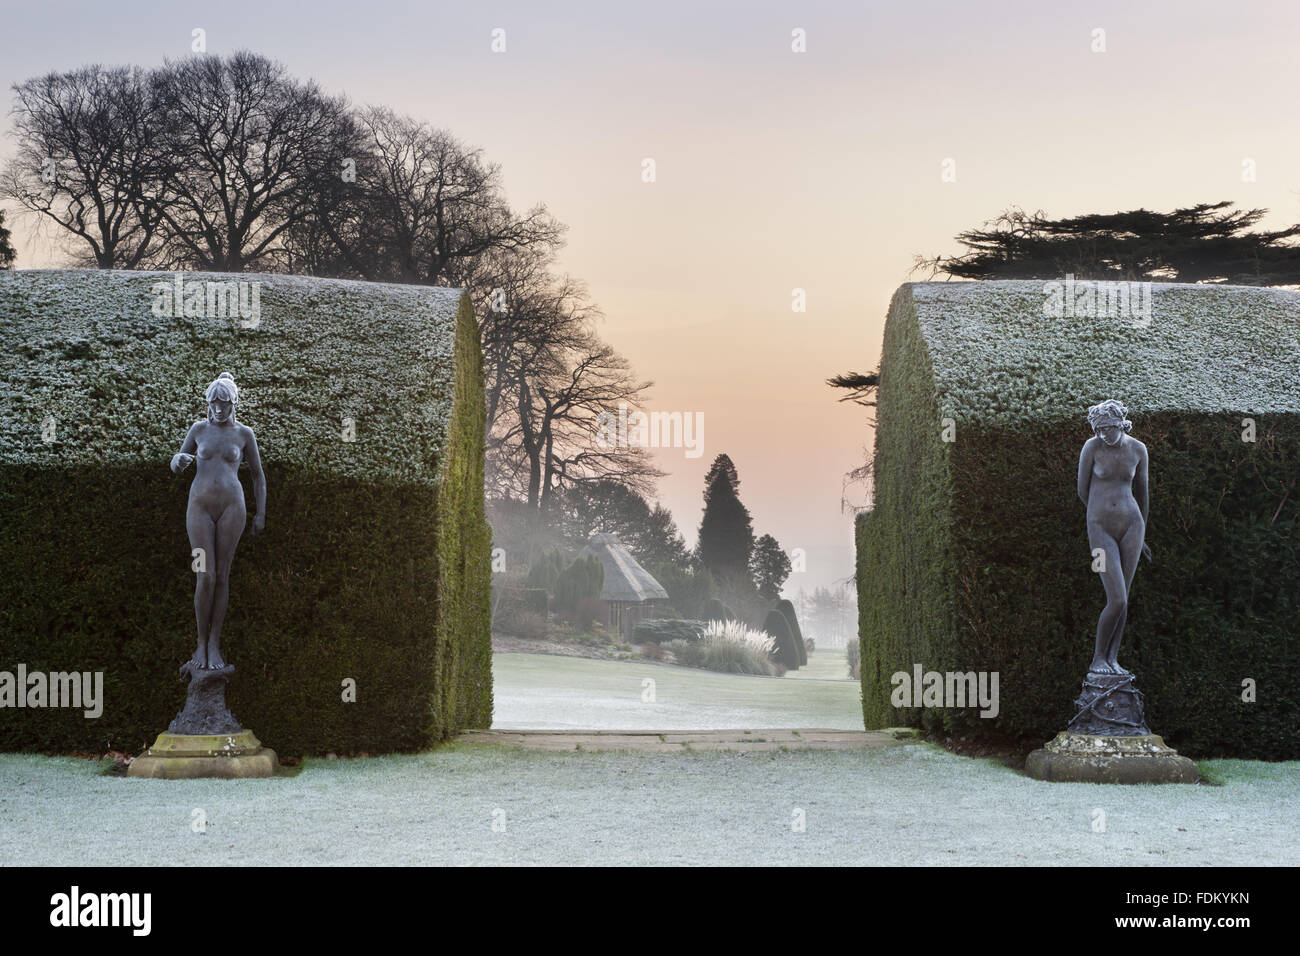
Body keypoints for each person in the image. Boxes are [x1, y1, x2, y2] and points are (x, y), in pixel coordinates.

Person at [171, 372, 266, 670]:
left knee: (222, 575)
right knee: (205, 574)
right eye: (214, 403)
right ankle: (200, 643)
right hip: (198, 508)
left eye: (224, 403)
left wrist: (260, 513)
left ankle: (214, 642)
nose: (218, 409)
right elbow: (177, 461)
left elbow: (257, 476)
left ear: (233, 402)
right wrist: (177, 461)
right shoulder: (198, 429)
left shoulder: (244, 434)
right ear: (208, 403)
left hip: (232, 509)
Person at [1076, 399, 1150, 675]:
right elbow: (1082, 490)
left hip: (1133, 525)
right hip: (1100, 526)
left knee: (1125, 598)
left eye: (1108, 428)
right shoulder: (1092, 448)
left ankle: (1113, 659)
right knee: (1116, 598)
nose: (1103, 434)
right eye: (1099, 430)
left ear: (1120, 424)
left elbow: (1143, 495)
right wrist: (1099, 514)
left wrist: (1142, 535)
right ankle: (1098, 658)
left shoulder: (1138, 449)